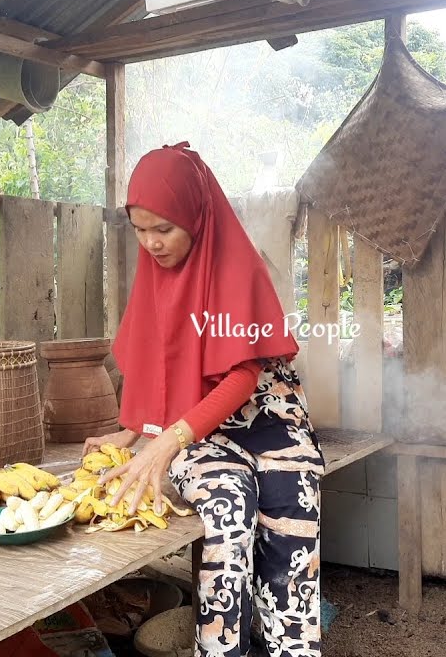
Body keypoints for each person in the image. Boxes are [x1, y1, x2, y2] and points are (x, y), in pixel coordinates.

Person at [85, 141, 325, 657]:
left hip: (267, 416)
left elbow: (241, 376)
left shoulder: (240, 269)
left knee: (292, 508)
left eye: (163, 229)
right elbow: (157, 363)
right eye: (139, 229)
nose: (150, 243)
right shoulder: (155, 275)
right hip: (200, 428)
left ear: (196, 214)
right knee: (228, 508)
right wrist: (132, 430)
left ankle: (290, 649)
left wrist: (164, 443)